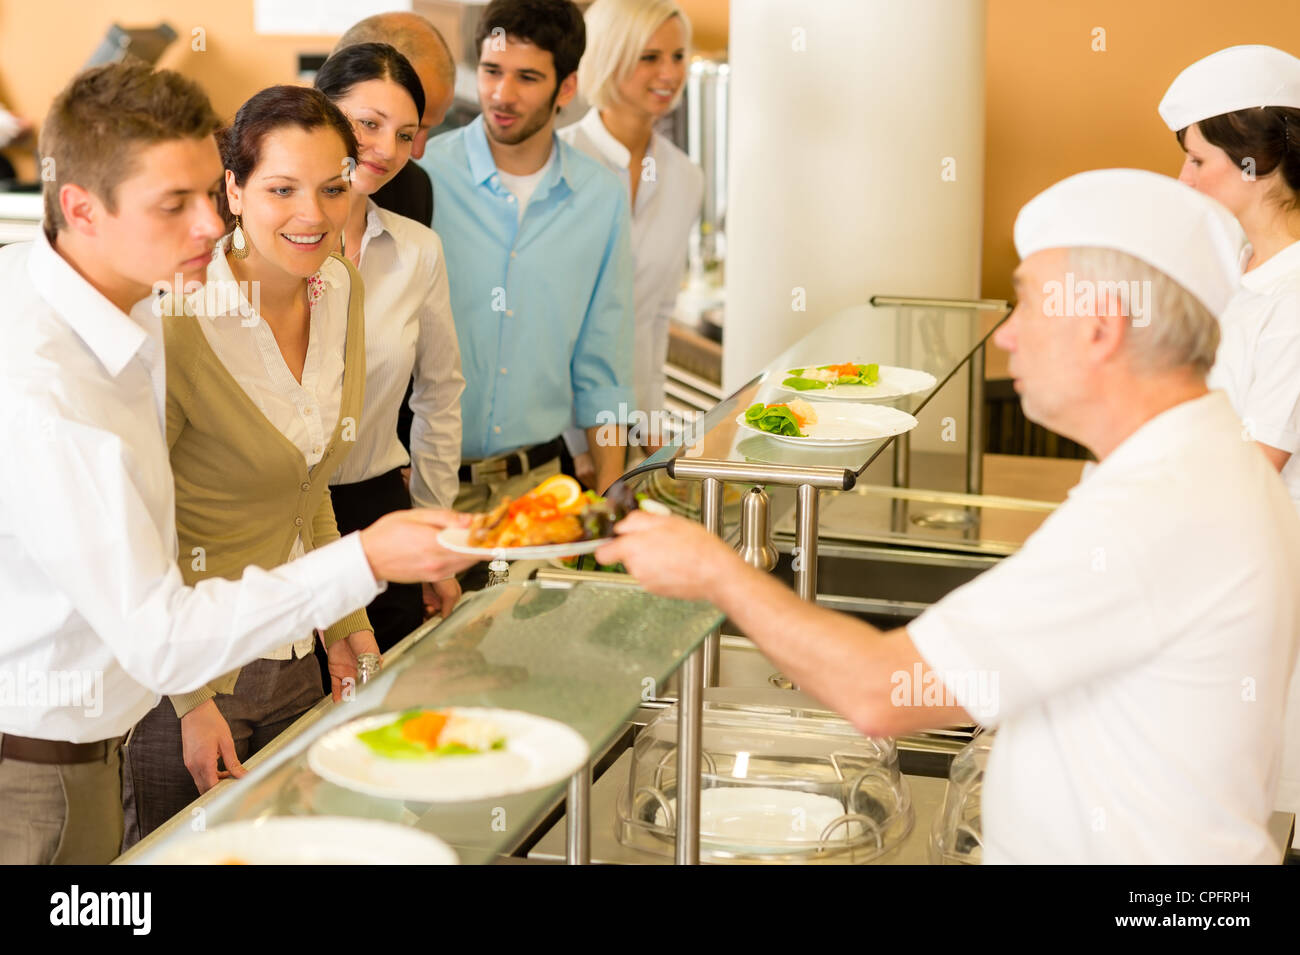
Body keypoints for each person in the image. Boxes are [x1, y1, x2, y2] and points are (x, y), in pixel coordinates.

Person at [598, 169, 1300, 864]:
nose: (1007, 337)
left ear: (1099, 326)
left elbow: (882, 690)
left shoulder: (1154, 506)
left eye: (1027, 305)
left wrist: (718, 572)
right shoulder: (1203, 458)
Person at [0, 62, 477, 865]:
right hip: (43, 764)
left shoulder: (133, 307)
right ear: (79, 207)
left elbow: (297, 485)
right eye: (173, 204)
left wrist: (344, 621)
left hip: (102, 731)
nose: (205, 226)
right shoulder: (52, 382)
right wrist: (364, 560)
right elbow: (161, 637)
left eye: (204, 195)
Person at [119, 86, 386, 846]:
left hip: (299, 655)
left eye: (333, 188)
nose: (313, 213)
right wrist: (192, 700)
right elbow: (137, 525)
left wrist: (346, 622)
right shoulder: (177, 315)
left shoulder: (340, 290)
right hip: (188, 677)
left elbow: (310, 489)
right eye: (280, 189)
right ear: (232, 191)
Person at [1159, 44, 1300, 825]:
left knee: (1252, 793)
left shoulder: (1296, 295)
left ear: (1254, 165)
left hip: (1257, 561)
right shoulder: (1241, 261)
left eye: (1198, 159)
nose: (1185, 180)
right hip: (1214, 547)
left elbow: (1258, 461)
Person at [426, 0, 634, 514]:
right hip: (427, 487)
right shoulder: (423, 178)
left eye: (527, 77)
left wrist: (607, 506)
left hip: (541, 487)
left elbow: (602, 368)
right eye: (492, 71)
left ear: (566, 87)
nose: (502, 94)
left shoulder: (602, 196)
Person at [315, 43, 467, 643]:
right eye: (368, 124)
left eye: (405, 134)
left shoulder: (417, 251)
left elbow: (440, 395)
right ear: (318, 114)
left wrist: (434, 530)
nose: (386, 149)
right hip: (275, 525)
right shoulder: (261, 248)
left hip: (378, 504)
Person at [559, 0, 702, 460]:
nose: (669, 73)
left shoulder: (684, 177)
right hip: (550, 440)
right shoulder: (555, 165)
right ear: (608, 57)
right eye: (649, 57)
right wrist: (576, 451)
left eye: (678, 57)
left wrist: (652, 437)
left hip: (629, 442)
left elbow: (654, 323)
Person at [336, 12, 458, 228]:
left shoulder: (413, 189)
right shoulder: (261, 165)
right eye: (370, 123)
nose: (417, 153)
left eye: (406, 134)